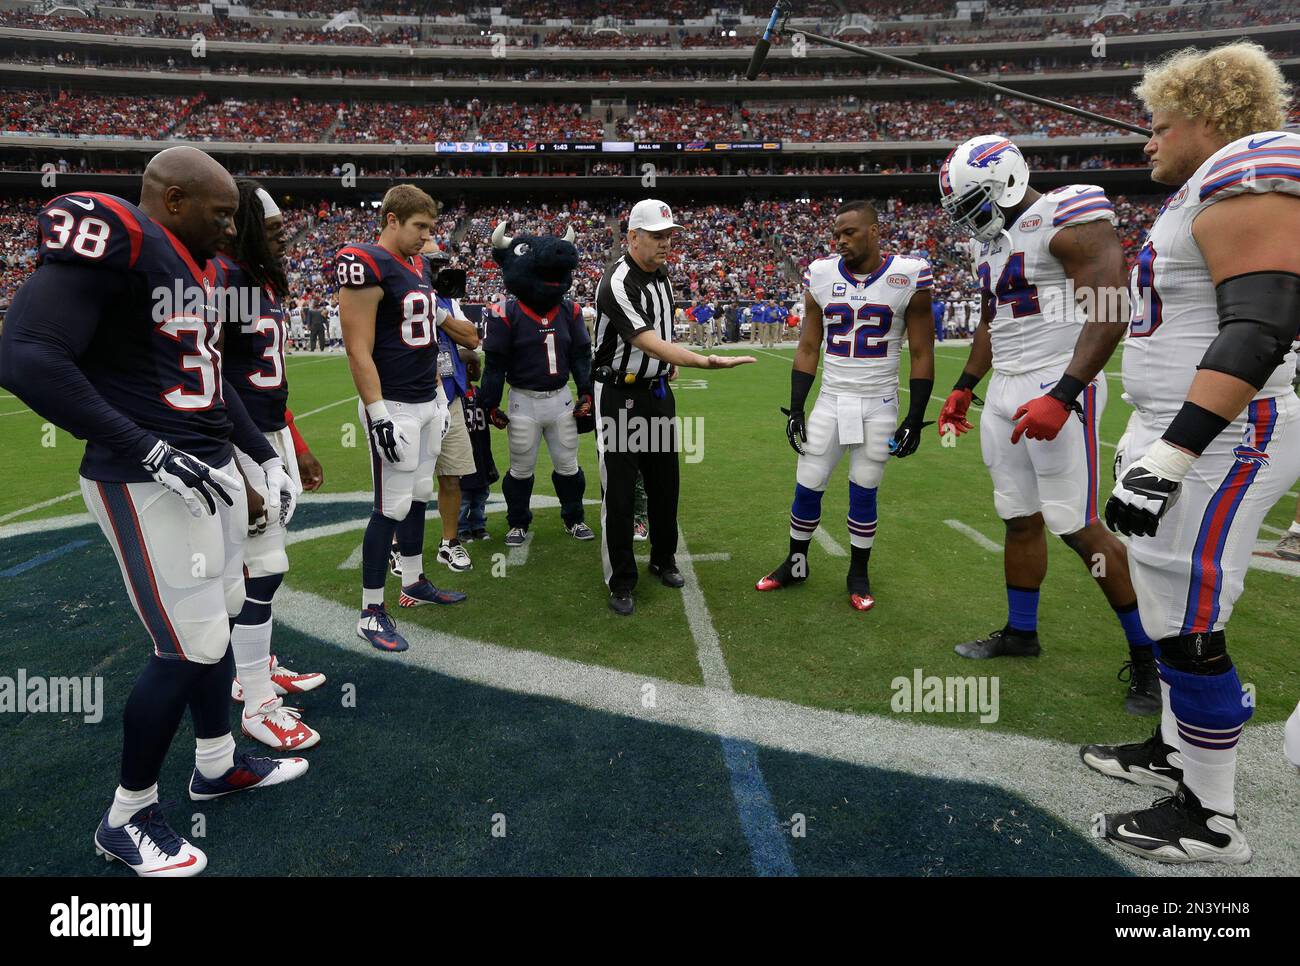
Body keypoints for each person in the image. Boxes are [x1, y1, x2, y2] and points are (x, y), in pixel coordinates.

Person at [0, 147, 308, 877]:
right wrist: (148, 452)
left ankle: (216, 762)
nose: (232, 227)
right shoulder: (121, 238)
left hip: (204, 470)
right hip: (147, 480)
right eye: (220, 212)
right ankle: (127, 815)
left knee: (220, 620)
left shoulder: (193, 267)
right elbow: (26, 356)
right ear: (171, 201)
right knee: (189, 645)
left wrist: (259, 452)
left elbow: (203, 378)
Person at [1081, 42, 1300, 864]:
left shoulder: (1254, 170)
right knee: (1168, 603)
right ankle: (1178, 753)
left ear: (1209, 119)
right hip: (1190, 427)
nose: (1148, 141)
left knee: (1188, 621)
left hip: (1223, 435)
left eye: (1160, 125)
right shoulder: (1208, 187)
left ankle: (1211, 820)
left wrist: (1174, 453)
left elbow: (1261, 324)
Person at [936, 134, 1159, 716]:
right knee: (1018, 517)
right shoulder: (992, 244)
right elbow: (993, 320)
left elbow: (1112, 308)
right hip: (1007, 387)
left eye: (973, 204)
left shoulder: (1067, 212)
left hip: (1057, 381)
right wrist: (965, 385)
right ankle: (1022, 632)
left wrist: (1063, 394)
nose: (970, 221)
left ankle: (1149, 659)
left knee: (1078, 526)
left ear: (1006, 179)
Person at [755, 200, 934, 611]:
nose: (840, 241)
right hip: (831, 401)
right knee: (808, 482)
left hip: (880, 404)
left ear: (873, 231)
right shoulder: (820, 275)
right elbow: (808, 345)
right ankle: (796, 563)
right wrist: (797, 407)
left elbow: (923, 352)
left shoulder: (908, 274)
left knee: (864, 489)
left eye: (849, 232)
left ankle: (858, 573)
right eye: (836, 234)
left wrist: (915, 416)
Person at [593, 199, 755, 615]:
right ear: (632, 236)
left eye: (669, 235)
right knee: (622, 491)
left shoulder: (661, 275)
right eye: (656, 236)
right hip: (620, 395)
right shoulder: (617, 281)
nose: (666, 243)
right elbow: (644, 338)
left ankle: (663, 559)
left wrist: (666, 365)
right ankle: (621, 579)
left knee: (666, 483)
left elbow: (659, 336)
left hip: (657, 392)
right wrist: (703, 360)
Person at [217, 177, 324, 751]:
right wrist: (252, 452)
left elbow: (268, 384)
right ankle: (257, 699)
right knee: (263, 565)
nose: (286, 239)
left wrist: (296, 441)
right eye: (276, 230)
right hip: (240, 441)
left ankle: (251, 669)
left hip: (268, 433)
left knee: (259, 568)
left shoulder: (258, 282)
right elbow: (213, 380)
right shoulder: (226, 281)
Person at [338, 184, 466, 655]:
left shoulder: (417, 266)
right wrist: (376, 414)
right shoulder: (365, 260)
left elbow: (424, 340)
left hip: (424, 400)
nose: (427, 237)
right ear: (391, 219)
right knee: (389, 506)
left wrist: (437, 397)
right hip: (390, 404)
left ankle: (412, 581)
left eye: (431, 228)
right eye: (420, 227)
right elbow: (357, 347)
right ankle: (371, 611)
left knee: (419, 495)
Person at [477, 221, 596, 548]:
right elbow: (496, 364)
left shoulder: (569, 310)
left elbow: (581, 356)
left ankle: (574, 517)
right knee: (521, 467)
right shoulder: (506, 313)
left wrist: (586, 391)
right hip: (523, 400)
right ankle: (518, 522)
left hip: (560, 400)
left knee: (568, 464)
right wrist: (489, 402)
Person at [424, 243, 481, 573]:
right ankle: (398, 545)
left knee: (451, 476)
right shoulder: (397, 294)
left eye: (442, 265)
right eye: (433, 265)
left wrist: (440, 312)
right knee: (411, 484)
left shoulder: (446, 299)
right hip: (411, 398)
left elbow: (471, 338)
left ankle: (449, 543)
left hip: (450, 395)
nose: (439, 272)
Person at [457, 346, 498, 542]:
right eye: (478, 366)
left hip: (481, 452)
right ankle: (462, 528)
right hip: (462, 454)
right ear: (470, 368)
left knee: (481, 493)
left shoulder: (479, 394)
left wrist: (497, 417)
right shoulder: (454, 397)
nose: (480, 371)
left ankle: (479, 525)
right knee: (463, 496)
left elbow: (489, 415)